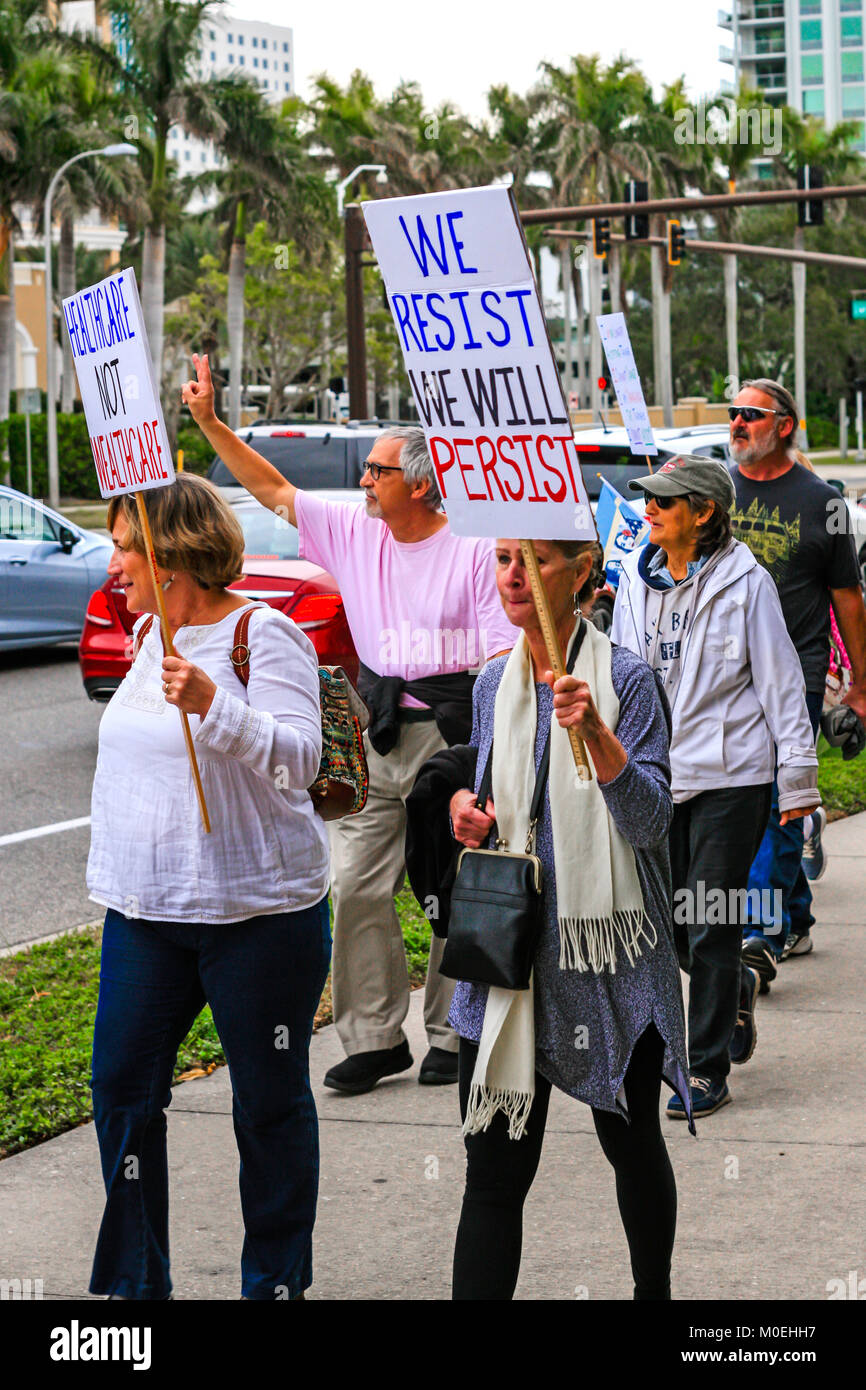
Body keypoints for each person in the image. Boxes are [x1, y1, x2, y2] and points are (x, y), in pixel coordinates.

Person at [182, 354, 518, 1095]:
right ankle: (371, 1036)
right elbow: (272, 489)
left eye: (377, 470)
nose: (364, 480)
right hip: (375, 730)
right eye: (367, 470)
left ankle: (449, 1030)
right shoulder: (355, 530)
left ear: (422, 484)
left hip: (451, 731)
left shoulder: (471, 547)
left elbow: (500, 656)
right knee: (356, 883)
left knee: (449, 886)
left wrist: (486, 757)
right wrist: (210, 422)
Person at [86, 474, 331, 1300]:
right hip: (147, 917)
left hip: (260, 917)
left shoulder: (263, 636)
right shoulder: (152, 633)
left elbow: (302, 759)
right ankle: (133, 1287)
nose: (113, 561)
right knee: (121, 1092)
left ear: (174, 552)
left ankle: (274, 1285)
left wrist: (213, 708)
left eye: (125, 545)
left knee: (266, 1107)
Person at [444, 536, 692, 1301]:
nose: (513, 577)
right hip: (509, 961)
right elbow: (496, 798)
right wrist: (469, 813)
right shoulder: (494, 682)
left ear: (582, 572)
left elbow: (650, 823)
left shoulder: (626, 679)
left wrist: (598, 735)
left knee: (633, 1144)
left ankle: (654, 1293)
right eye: (504, 560)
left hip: (609, 958)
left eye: (535, 561)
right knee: (492, 1173)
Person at [612, 453, 820, 1117]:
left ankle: (703, 1069)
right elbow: (620, 672)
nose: (650, 509)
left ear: (703, 513)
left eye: (665, 502)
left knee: (707, 920)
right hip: (656, 772)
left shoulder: (744, 582)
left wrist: (798, 780)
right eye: (650, 499)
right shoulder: (635, 577)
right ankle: (729, 993)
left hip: (733, 775)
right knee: (671, 922)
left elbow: (781, 680)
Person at [728, 380, 866, 979]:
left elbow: (847, 597)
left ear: (784, 425)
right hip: (723, 675)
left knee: (781, 801)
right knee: (743, 798)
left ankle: (758, 932)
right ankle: (798, 917)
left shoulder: (822, 500)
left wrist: (860, 684)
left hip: (796, 676)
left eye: (751, 415)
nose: (737, 422)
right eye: (733, 413)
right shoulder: (714, 491)